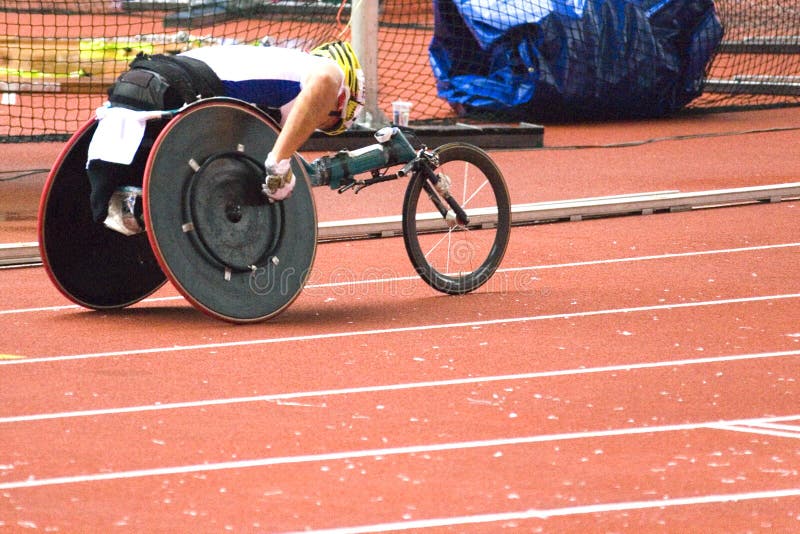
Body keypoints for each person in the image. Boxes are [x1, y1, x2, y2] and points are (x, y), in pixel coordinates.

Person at [85, 41, 364, 235]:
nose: (314, 124)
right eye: (325, 121)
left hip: (135, 83)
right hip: (180, 90)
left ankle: (133, 201)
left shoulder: (276, 70)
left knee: (128, 205)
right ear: (341, 100)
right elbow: (326, 82)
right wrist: (280, 162)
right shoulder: (327, 71)